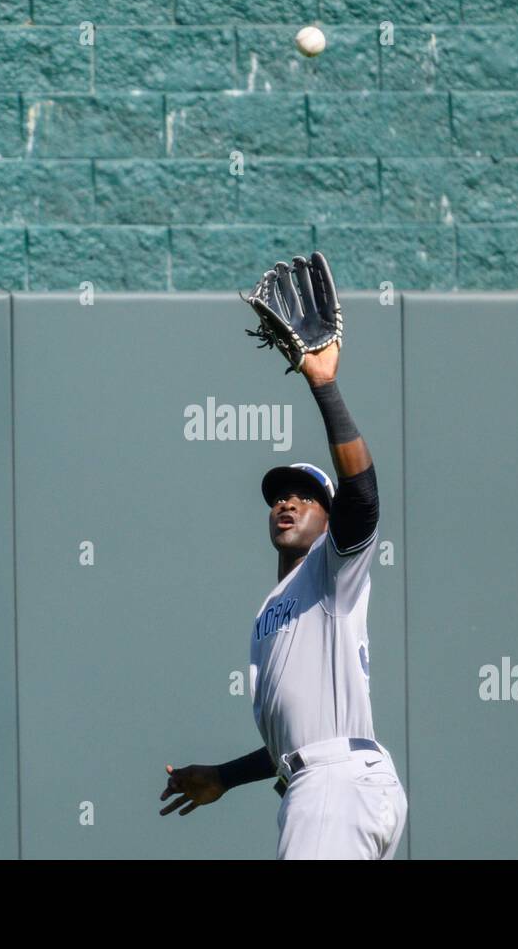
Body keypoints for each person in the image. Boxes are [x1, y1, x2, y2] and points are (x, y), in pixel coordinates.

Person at [159, 327, 408, 859]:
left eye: (307, 497)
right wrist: (224, 776)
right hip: (328, 781)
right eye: (280, 497)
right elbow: (292, 738)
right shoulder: (274, 609)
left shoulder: (331, 568)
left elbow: (362, 499)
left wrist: (324, 385)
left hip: (334, 785)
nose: (288, 504)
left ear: (327, 517)